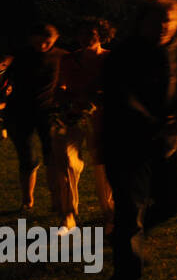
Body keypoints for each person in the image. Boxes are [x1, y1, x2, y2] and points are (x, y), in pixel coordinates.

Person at [101, 0, 177, 280]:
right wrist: (157, 124)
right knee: (129, 211)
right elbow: (122, 97)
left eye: (168, 20)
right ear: (142, 21)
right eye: (155, 20)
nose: (162, 26)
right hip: (128, 145)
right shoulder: (124, 54)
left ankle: (130, 231)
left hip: (170, 143)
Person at [52, 18, 116, 232]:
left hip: (102, 117)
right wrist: (63, 95)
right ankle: (69, 215)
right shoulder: (70, 60)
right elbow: (61, 83)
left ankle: (109, 214)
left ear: (102, 35)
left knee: (104, 166)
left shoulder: (110, 59)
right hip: (73, 115)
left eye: (91, 33)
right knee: (67, 162)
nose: (86, 37)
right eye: (82, 33)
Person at [6, 23, 65, 217]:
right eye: (39, 41)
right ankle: (27, 200)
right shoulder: (19, 56)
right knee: (27, 157)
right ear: (32, 39)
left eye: (47, 42)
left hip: (48, 111)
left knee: (53, 157)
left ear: (54, 40)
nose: (42, 46)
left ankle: (56, 199)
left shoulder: (61, 56)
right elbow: (4, 71)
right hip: (19, 112)